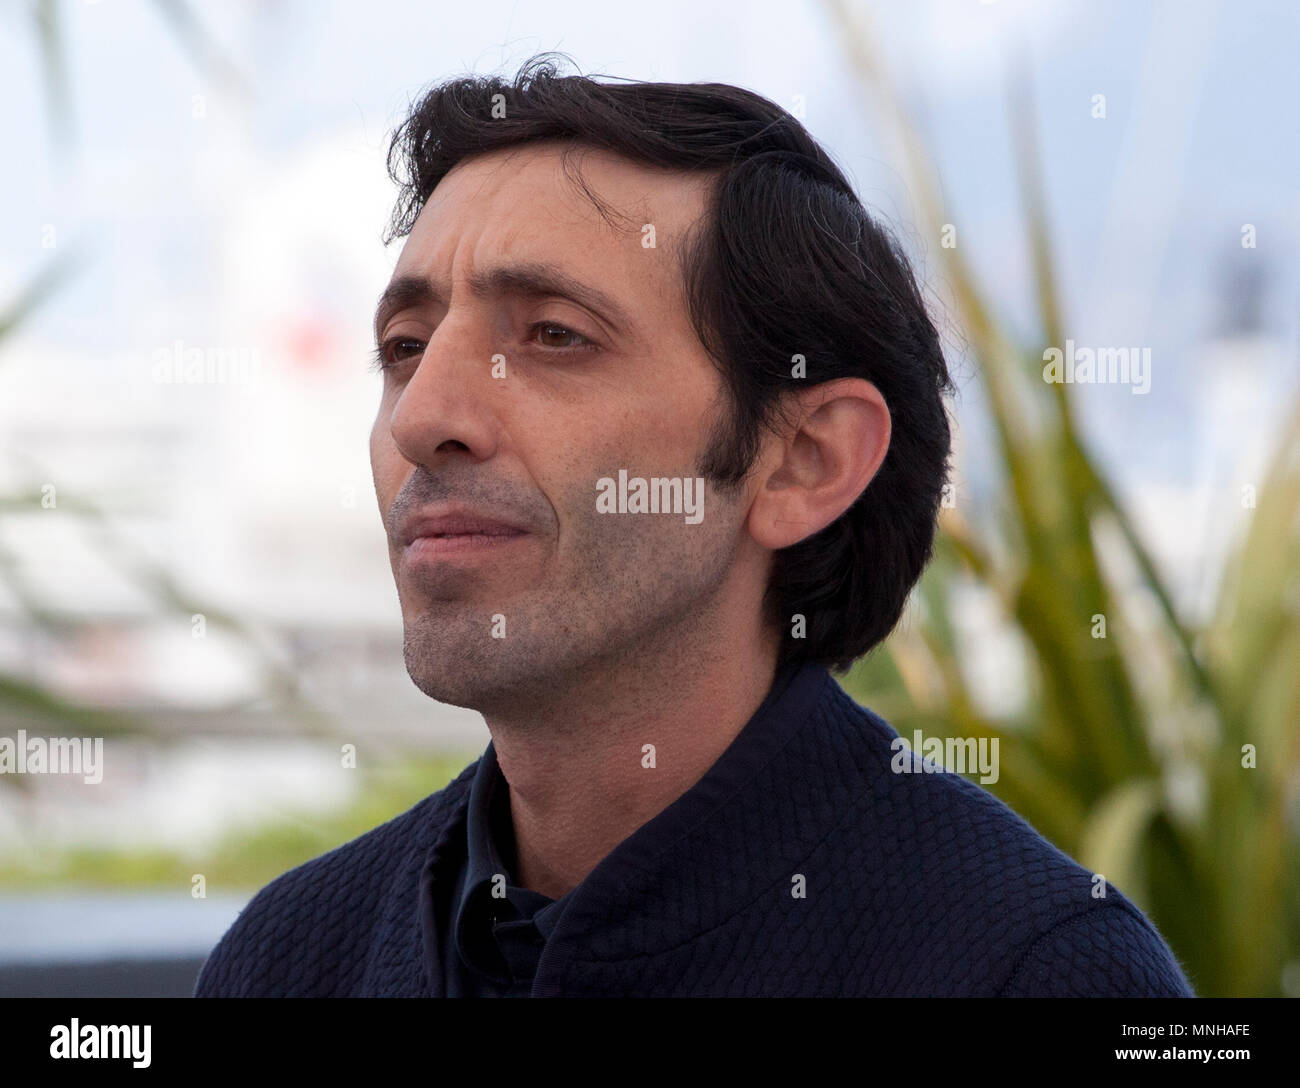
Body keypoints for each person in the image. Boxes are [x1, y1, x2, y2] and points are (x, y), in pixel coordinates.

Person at [194, 54, 1194, 998]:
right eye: (405, 346)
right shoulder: (293, 955)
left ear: (806, 459)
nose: (421, 417)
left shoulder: (1030, 971)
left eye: (553, 336)